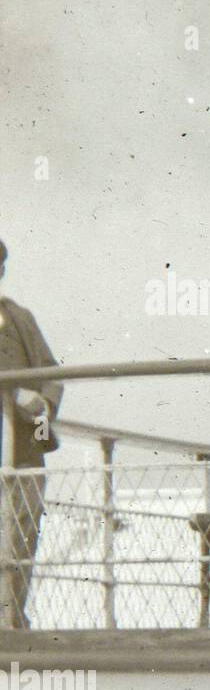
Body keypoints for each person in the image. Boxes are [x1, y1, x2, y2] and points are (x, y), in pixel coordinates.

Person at [0, 239, 63, 629]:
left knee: (24, 531)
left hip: (23, 448)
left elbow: (51, 372)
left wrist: (42, 403)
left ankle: (11, 617)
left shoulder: (20, 317)